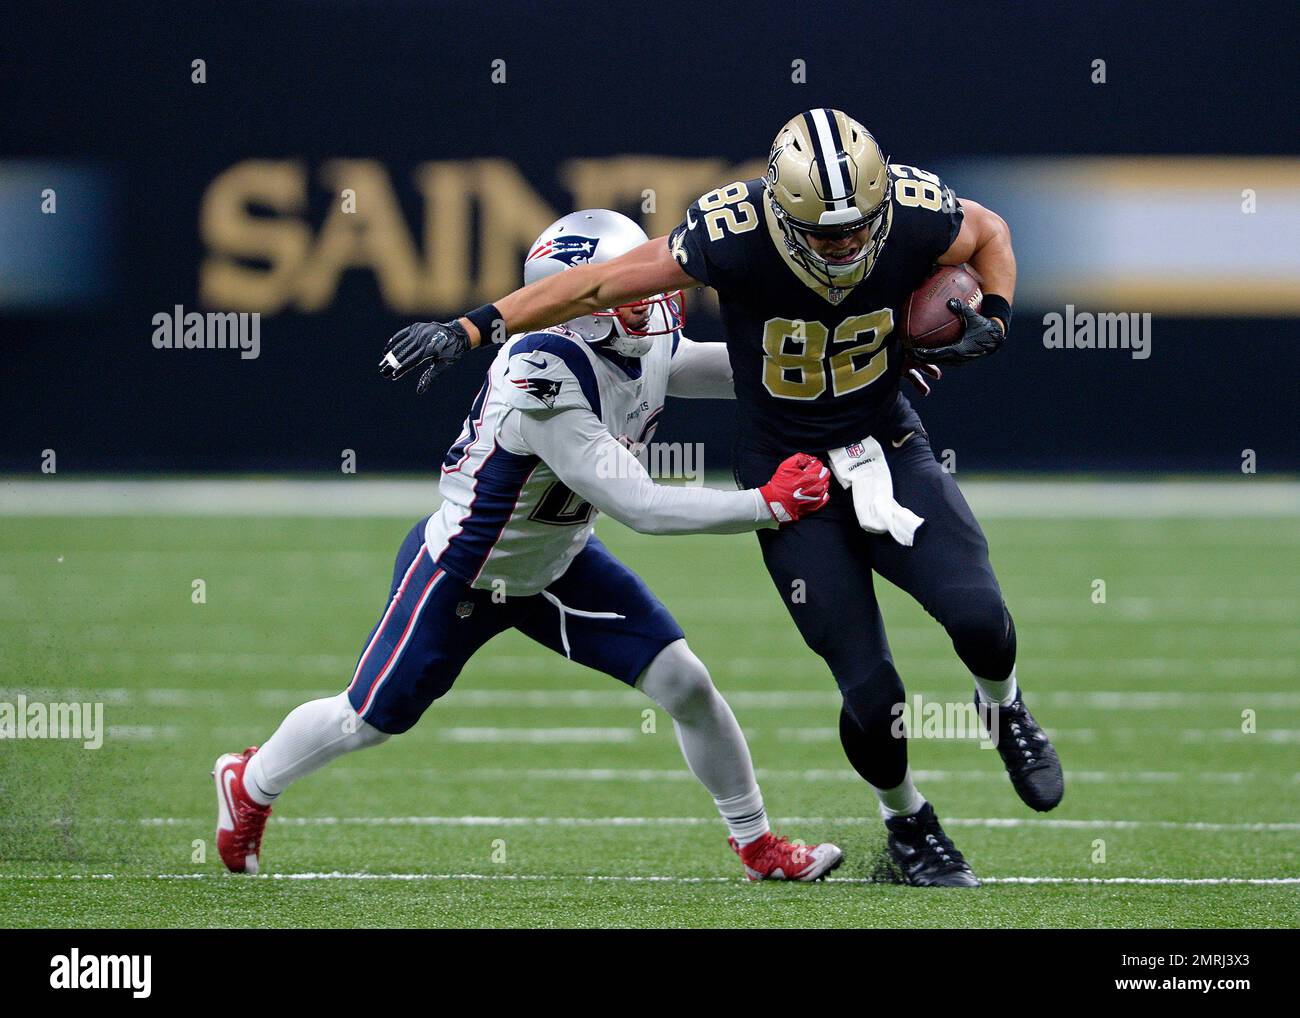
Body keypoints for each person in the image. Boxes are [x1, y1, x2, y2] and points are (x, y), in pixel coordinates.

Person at [379, 110, 1065, 887]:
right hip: (789, 468)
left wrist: (999, 318)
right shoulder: (731, 232)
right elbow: (597, 283)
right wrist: (475, 328)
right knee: (872, 690)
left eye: (856, 229)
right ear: (780, 211)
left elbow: (992, 233)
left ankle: (1003, 708)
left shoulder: (913, 206)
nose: (842, 244)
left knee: (977, 615)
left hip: (885, 445)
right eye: (821, 231)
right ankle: (909, 826)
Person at [216, 209, 842, 883]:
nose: (651, 298)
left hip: (559, 564)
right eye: (623, 289)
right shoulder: (539, 374)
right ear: (579, 307)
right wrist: (767, 504)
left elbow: (704, 367)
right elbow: (644, 507)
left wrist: (829, 365)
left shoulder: (641, 337)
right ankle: (250, 782)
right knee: (368, 718)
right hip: (467, 570)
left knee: (686, 683)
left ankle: (756, 845)